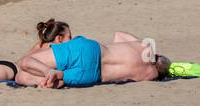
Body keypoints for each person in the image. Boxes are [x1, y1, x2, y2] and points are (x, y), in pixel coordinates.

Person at [19, 31, 172, 88]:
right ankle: (51, 75)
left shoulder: (144, 47)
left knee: (24, 63)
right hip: (90, 76)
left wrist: (136, 43)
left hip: (90, 51)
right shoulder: (150, 75)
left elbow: (118, 35)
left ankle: (48, 71)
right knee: (21, 77)